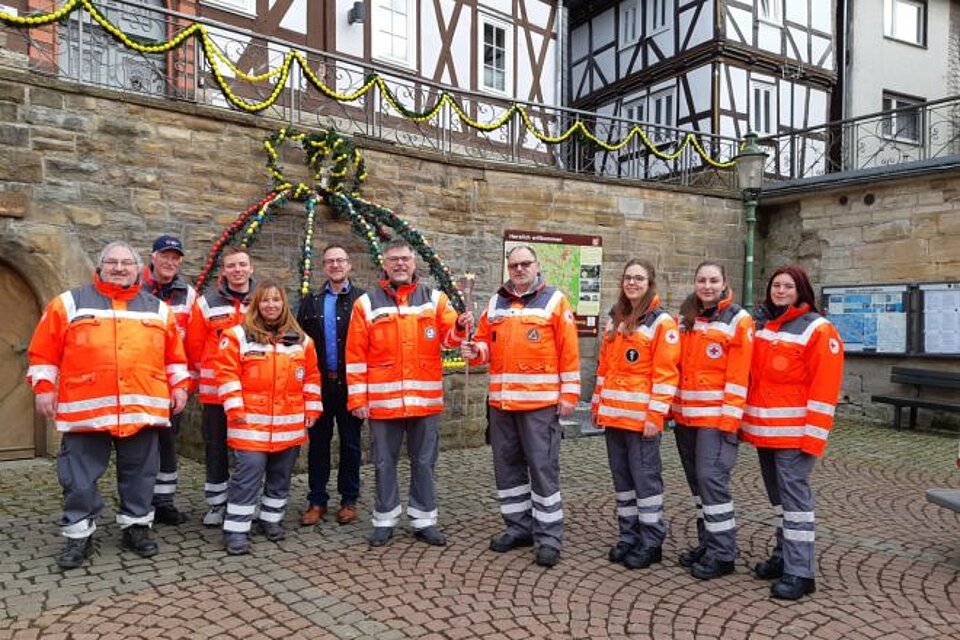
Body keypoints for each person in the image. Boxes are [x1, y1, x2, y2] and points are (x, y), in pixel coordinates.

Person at [26, 241, 190, 570]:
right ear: (100, 267)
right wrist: (44, 387)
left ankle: (136, 527)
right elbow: (44, 352)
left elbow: (175, 357)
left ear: (137, 268)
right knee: (79, 477)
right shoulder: (68, 304)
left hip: (141, 408)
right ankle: (78, 534)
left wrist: (181, 386)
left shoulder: (158, 309)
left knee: (141, 474)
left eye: (126, 263)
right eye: (111, 262)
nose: (119, 268)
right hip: (86, 410)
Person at [460, 245, 580, 568]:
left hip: (540, 405)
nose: (519, 269)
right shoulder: (495, 302)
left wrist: (569, 395)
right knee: (507, 467)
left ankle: (549, 536)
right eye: (514, 265)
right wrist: (476, 351)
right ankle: (518, 527)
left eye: (525, 264)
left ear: (537, 265)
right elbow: (485, 341)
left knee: (542, 469)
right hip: (502, 404)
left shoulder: (554, 301)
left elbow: (568, 351)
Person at [345, 240, 470, 548]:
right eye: (393, 260)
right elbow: (355, 355)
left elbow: (451, 339)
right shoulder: (366, 303)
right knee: (383, 462)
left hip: (424, 402)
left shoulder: (435, 299)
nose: (400, 264)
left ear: (414, 263)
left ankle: (424, 520)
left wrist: (461, 326)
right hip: (383, 402)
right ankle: (384, 519)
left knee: (424, 462)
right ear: (384, 265)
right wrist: (358, 399)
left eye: (405, 259)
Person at [742, 265, 844, 600]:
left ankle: (801, 572)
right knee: (780, 502)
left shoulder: (818, 329)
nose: (780, 291)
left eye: (787, 286)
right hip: (765, 432)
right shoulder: (765, 326)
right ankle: (783, 555)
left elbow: (825, 388)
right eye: (776, 285)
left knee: (796, 503)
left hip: (795, 436)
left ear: (801, 290)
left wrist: (813, 439)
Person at [212, 281, 322, 555]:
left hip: (289, 425)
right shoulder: (237, 335)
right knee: (246, 477)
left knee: (280, 476)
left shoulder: (302, 340)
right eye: (265, 300)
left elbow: (311, 377)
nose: (271, 305)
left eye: (276, 300)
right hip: (249, 424)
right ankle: (236, 530)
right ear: (256, 305)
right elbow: (226, 374)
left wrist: (312, 409)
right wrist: (235, 409)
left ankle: (271, 520)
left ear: (285, 304)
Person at [591, 259, 679, 570]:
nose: (632, 283)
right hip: (615, 418)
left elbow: (665, 376)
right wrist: (598, 404)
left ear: (650, 282)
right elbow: (605, 369)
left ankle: (651, 541)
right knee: (624, 483)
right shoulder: (616, 319)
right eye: (628, 278)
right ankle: (628, 536)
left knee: (646, 484)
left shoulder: (661, 323)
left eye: (639, 278)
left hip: (642, 422)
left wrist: (656, 417)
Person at [672, 261, 754, 579]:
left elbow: (739, 374)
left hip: (716, 420)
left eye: (713, 280)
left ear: (724, 283)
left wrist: (730, 420)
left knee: (712, 481)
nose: (707, 286)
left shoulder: (738, 320)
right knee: (698, 485)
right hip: (686, 418)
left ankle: (723, 552)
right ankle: (707, 543)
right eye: (702, 280)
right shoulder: (685, 319)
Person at [297, 245, 365, 527]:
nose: (335, 265)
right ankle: (317, 500)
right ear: (324, 267)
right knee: (318, 445)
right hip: (320, 385)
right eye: (330, 261)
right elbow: (299, 342)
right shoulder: (311, 301)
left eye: (340, 260)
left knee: (351, 444)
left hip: (351, 385)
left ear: (349, 265)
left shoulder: (363, 300)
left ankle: (349, 500)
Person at [186, 245, 255, 526]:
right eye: (231, 266)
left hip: (252, 394)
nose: (237, 270)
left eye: (242, 265)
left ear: (251, 268)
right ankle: (217, 504)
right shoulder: (206, 303)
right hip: (216, 395)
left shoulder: (264, 299)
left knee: (250, 450)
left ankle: (248, 499)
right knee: (215, 449)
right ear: (223, 271)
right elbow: (193, 345)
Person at [142, 235, 198, 526]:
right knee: (139, 446)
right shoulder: (134, 289)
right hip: (139, 384)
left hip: (171, 385)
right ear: (152, 257)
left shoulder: (187, 294)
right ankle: (139, 503)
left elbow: (194, 342)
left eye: (175, 257)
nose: (170, 262)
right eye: (165, 255)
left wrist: (188, 382)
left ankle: (163, 502)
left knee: (167, 444)